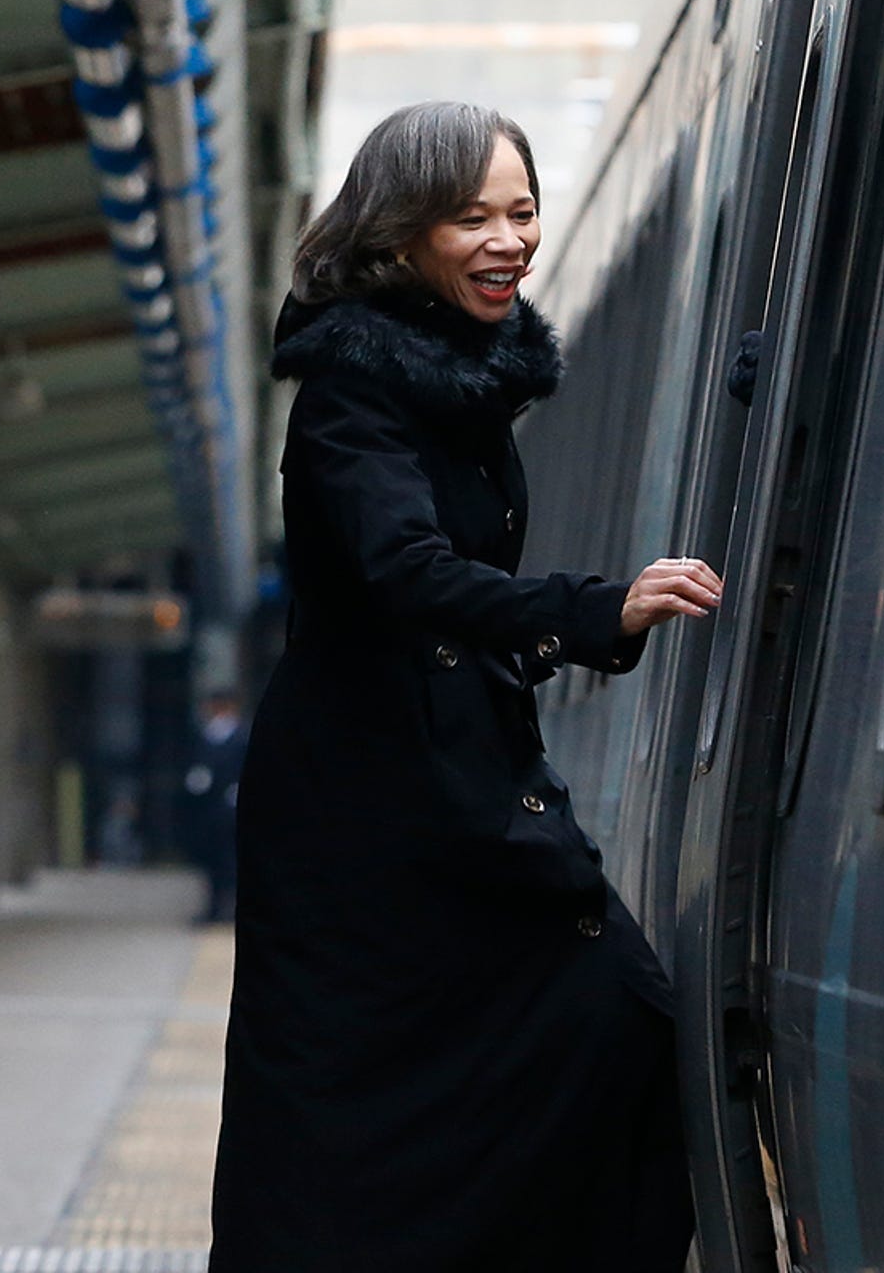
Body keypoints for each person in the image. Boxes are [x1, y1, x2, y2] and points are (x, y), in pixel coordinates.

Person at [207, 100, 720, 1271]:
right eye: (469, 217)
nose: (507, 241)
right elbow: (405, 572)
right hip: (368, 828)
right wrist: (590, 611)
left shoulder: (457, 378)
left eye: (520, 210)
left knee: (592, 1037)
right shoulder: (352, 393)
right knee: (352, 1138)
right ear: (398, 238)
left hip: (443, 794)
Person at [176, 691, 248, 925]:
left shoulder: (242, 736)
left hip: (233, 806)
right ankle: (215, 908)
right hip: (209, 808)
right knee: (212, 860)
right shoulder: (205, 737)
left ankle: (232, 908)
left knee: (232, 860)